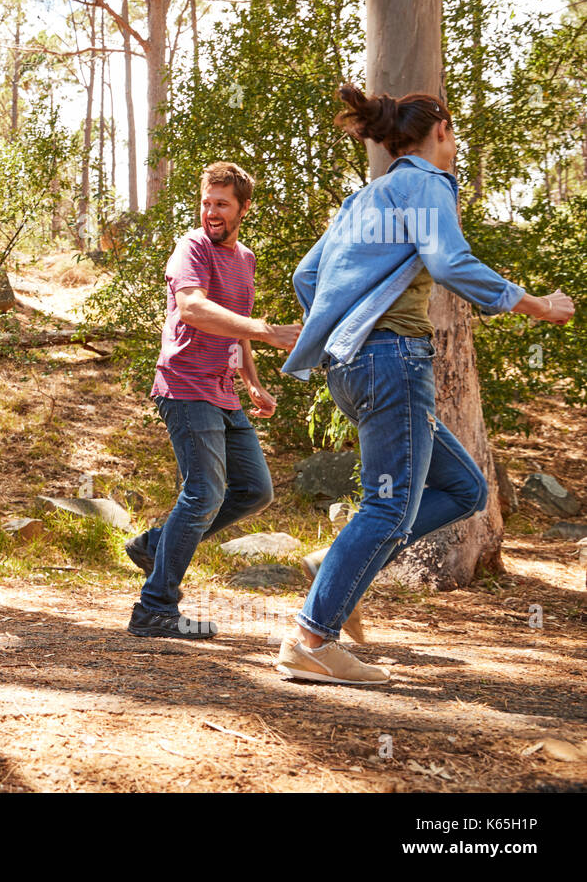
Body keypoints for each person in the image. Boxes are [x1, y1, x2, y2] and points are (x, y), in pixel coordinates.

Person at [276, 84, 575, 685]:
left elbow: (306, 275)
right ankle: (311, 639)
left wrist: (344, 327)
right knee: (389, 506)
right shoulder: (426, 184)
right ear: (440, 129)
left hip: (353, 366)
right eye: (455, 132)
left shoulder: (366, 197)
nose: (456, 144)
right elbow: (449, 262)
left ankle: (339, 565)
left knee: (465, 489)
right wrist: (535, 305)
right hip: (391, 361)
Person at [126, 162, 302, 639]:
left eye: (222, 204)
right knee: (204, 493)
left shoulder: (244, 259)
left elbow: (234, 325)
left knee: (254, 491)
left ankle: (156, 546)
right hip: (184, 385)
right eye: (206, 202)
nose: (211, 211)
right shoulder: (192, 247)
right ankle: (155, 609)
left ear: (244, 208)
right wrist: (267, 331)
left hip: (223, 393)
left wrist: (254, 383)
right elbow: (194, 308)